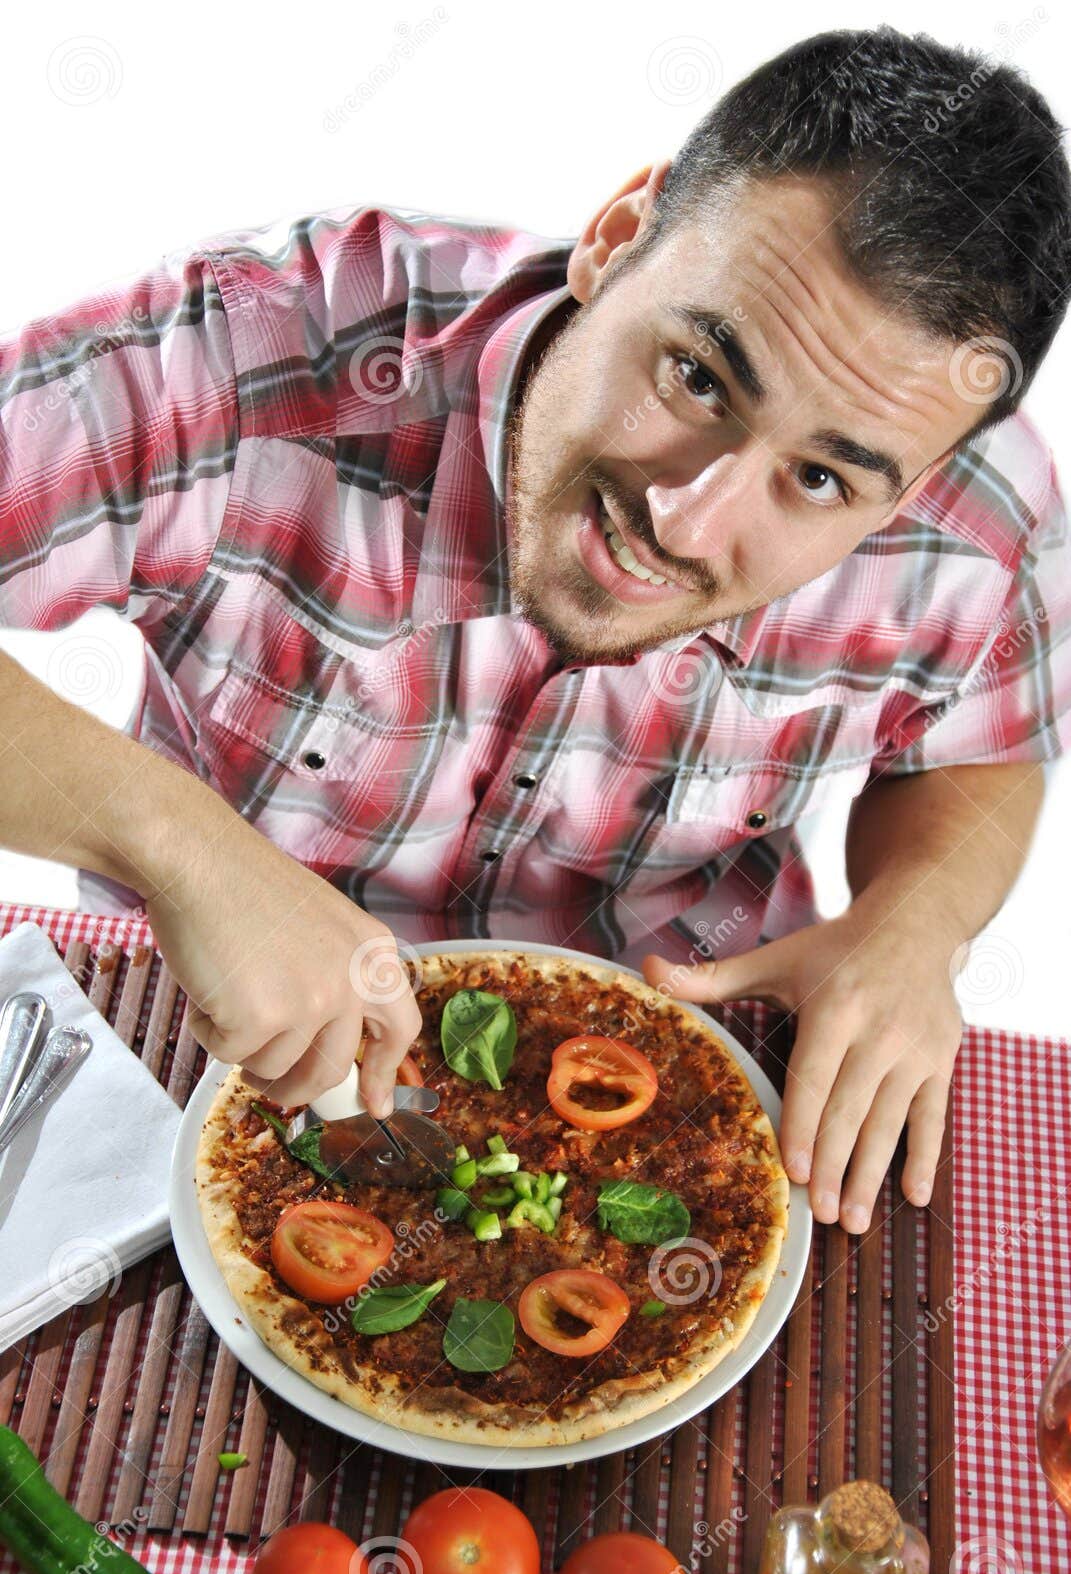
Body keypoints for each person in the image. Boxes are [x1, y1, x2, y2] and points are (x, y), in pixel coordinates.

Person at [1, 27, 1068, 1234]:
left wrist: (917, 916)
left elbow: (977, 740)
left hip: (685, 1120)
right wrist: (181, 845)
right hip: (202, 1047)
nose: (685, 520)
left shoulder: (979, 521)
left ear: (915, 488)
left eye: (822, 480)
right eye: (701, 377)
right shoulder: (262, 352)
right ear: (618, 239)